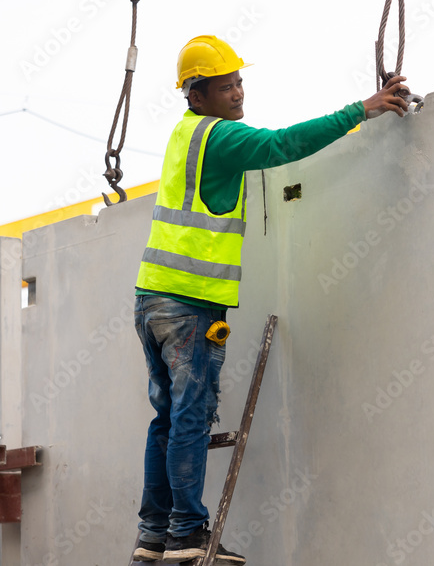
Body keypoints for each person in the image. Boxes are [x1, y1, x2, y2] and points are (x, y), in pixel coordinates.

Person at [131, 35, 411, 564]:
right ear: (196, 95)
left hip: (153, 299)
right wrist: (363, 109)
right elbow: (281, 147)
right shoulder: (220, 136)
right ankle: (187, 533)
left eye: (239, 81)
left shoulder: (185, 134)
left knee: (166, 419)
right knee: (189, 418)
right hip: (188, 303)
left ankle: (152, 536)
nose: (237, 93)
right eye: (224, 86)